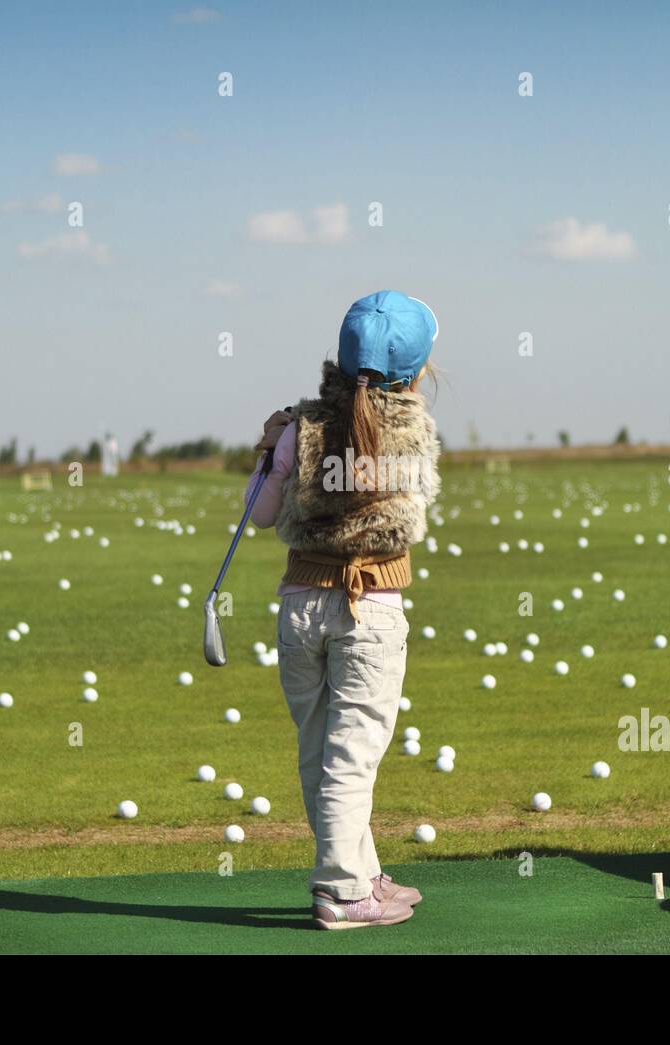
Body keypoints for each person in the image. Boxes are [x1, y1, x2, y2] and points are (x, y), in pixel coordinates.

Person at [245, 290, 441, 930]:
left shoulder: (297, 427)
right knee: (351, 759)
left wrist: (268, 448)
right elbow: (409, 520)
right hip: (370, 612)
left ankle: (362, 873)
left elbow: (261, 513)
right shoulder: (412, 430)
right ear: (414, 372)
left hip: (301, 609)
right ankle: (343, 893)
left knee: (320, 755)